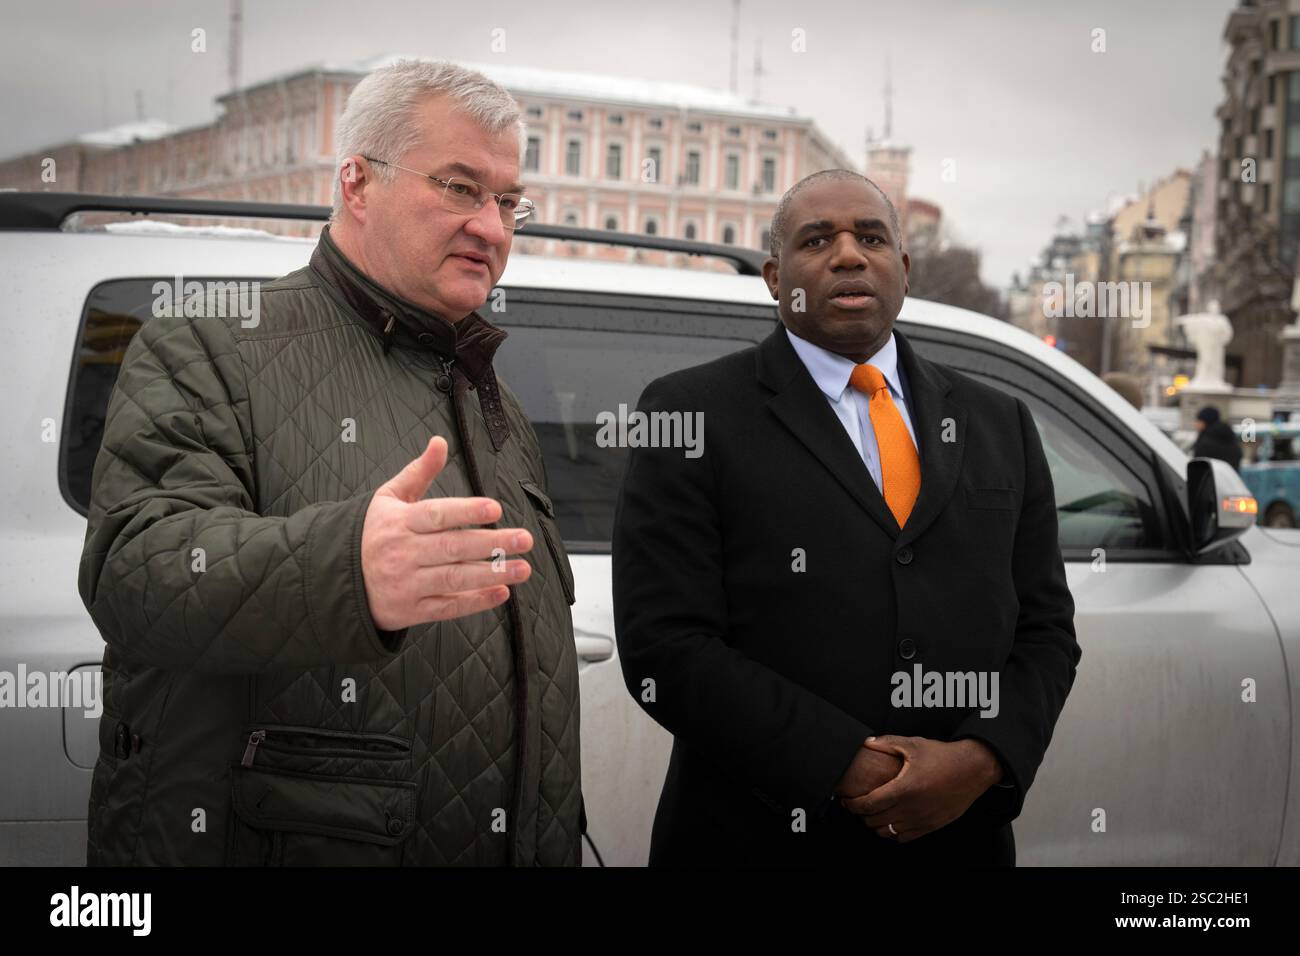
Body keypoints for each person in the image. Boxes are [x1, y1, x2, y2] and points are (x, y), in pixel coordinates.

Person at [77, 59, 582, 866]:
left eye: (508, 201)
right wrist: (345, 567)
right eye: (459, 187)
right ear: (356, 182)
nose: (492, 227)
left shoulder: (495, 399)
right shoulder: (209, 348)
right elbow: (134, 571)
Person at [612, 169, 1080, 866]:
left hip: (958, 837)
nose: (849, 255)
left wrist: (982, 759)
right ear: (775, 276)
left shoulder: (998, 421)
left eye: (871, 237)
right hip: (756, 837)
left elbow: (1045, 628)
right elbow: (665, 645)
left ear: (904, 267)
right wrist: (849, 767)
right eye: (816, 239)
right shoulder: (690, 412)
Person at [1192, 405, 1242, 471]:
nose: (1195, 424)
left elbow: (1198, 466)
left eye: (1198, 421)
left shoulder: (1206, 442)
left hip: (1211, 480)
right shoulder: (1229, 437)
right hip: (1230, 479)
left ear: (1205, 422)